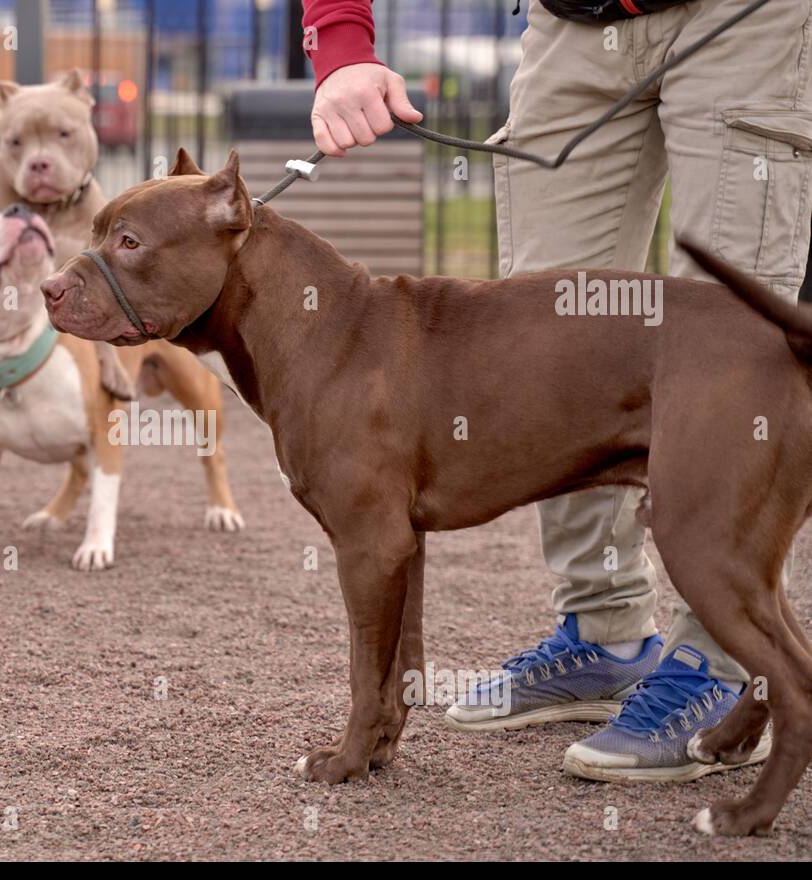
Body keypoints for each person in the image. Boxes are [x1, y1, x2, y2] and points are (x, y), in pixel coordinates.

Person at [303, 0, 812, 780]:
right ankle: (604, 630)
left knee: (729, 348)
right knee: (538, 352)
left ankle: (722, 667)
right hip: (574, 22)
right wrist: (341, 43)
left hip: (744, 15)